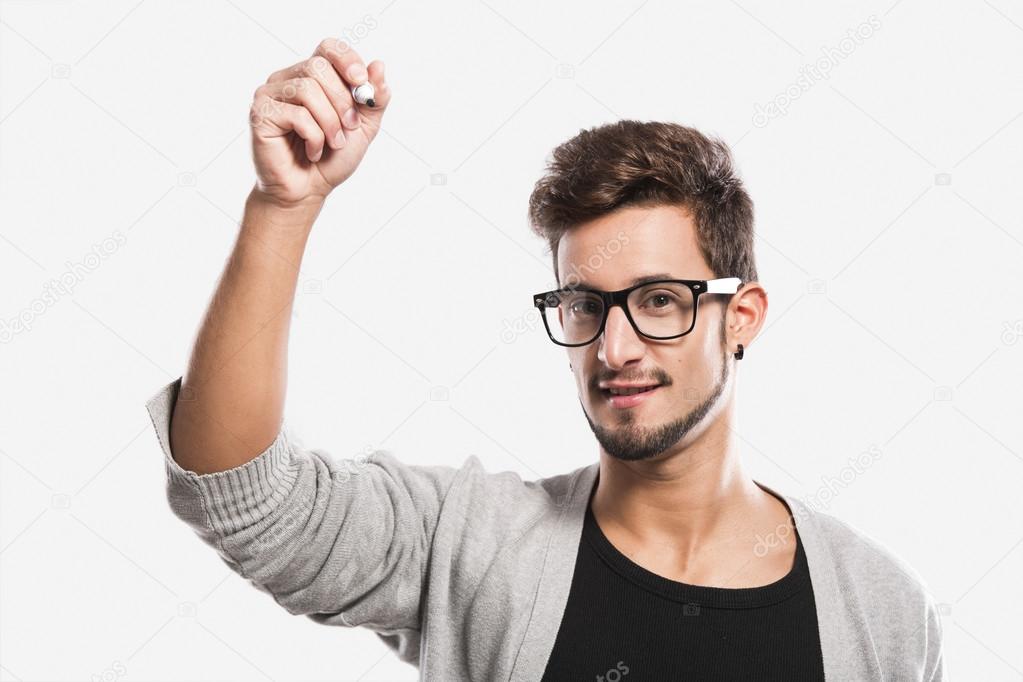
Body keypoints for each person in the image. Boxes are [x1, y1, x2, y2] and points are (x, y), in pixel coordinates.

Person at [144, 37, 945, 681]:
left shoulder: (879, 613)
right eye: (585, 305)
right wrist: (284, 208)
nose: (614, 347)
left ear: (740, 318)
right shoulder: (471, 546)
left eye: (659, 300)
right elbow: (244, 498)